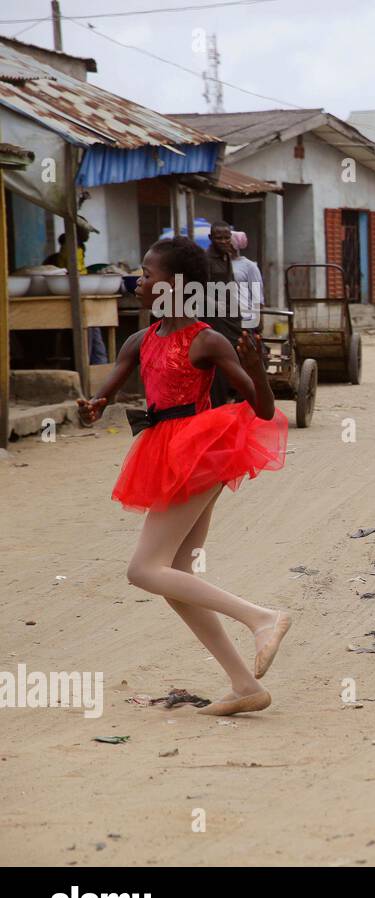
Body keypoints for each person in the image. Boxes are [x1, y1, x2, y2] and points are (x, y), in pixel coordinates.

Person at [75, 237, 291, 716]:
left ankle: (262, 618)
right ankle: (243, 685)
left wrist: (256, 367)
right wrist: (93, 407)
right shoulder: (139, 340)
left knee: (143, 570)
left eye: (149, 274)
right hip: (164, 449)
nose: (139, 280)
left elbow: (263, 409)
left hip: (200, 450)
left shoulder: (206, 339)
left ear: (178, 286)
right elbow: (103, 399)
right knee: (176, 579)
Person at [45, 226, 108, 365]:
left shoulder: (74, 247)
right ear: (78, 232)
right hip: (70, 297)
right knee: (89, 333)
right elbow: (77, 272)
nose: (88, 235)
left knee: (92, 331)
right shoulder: (72, 248)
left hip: (75, 296)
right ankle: (91, 365)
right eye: (87, 232)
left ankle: (96, 365)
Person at [205, 222, 244, 407]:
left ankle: (241, 399)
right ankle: (217, 405)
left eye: (226, 237)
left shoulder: (226, 257)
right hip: (214, 317)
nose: (223, 241)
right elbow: (201, 291)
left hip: (231, 316)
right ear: (210, 238)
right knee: (220, 360)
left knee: (243, 352)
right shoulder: (206, 260)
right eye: (219, 237)